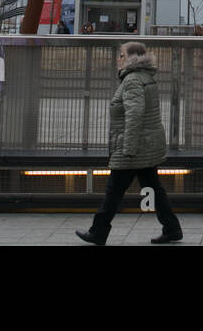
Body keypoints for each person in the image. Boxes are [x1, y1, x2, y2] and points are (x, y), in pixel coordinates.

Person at [77, 41, 182, 245]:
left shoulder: (132, 80)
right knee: (153, 188)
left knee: (114, 191)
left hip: (134, 145)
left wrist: (128, 148)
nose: (118, 59)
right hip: (145, 143)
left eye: (122, 55)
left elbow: (135, 114)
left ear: (132, 59)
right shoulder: (144, 77)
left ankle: (98, 232)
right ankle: (172, 228)